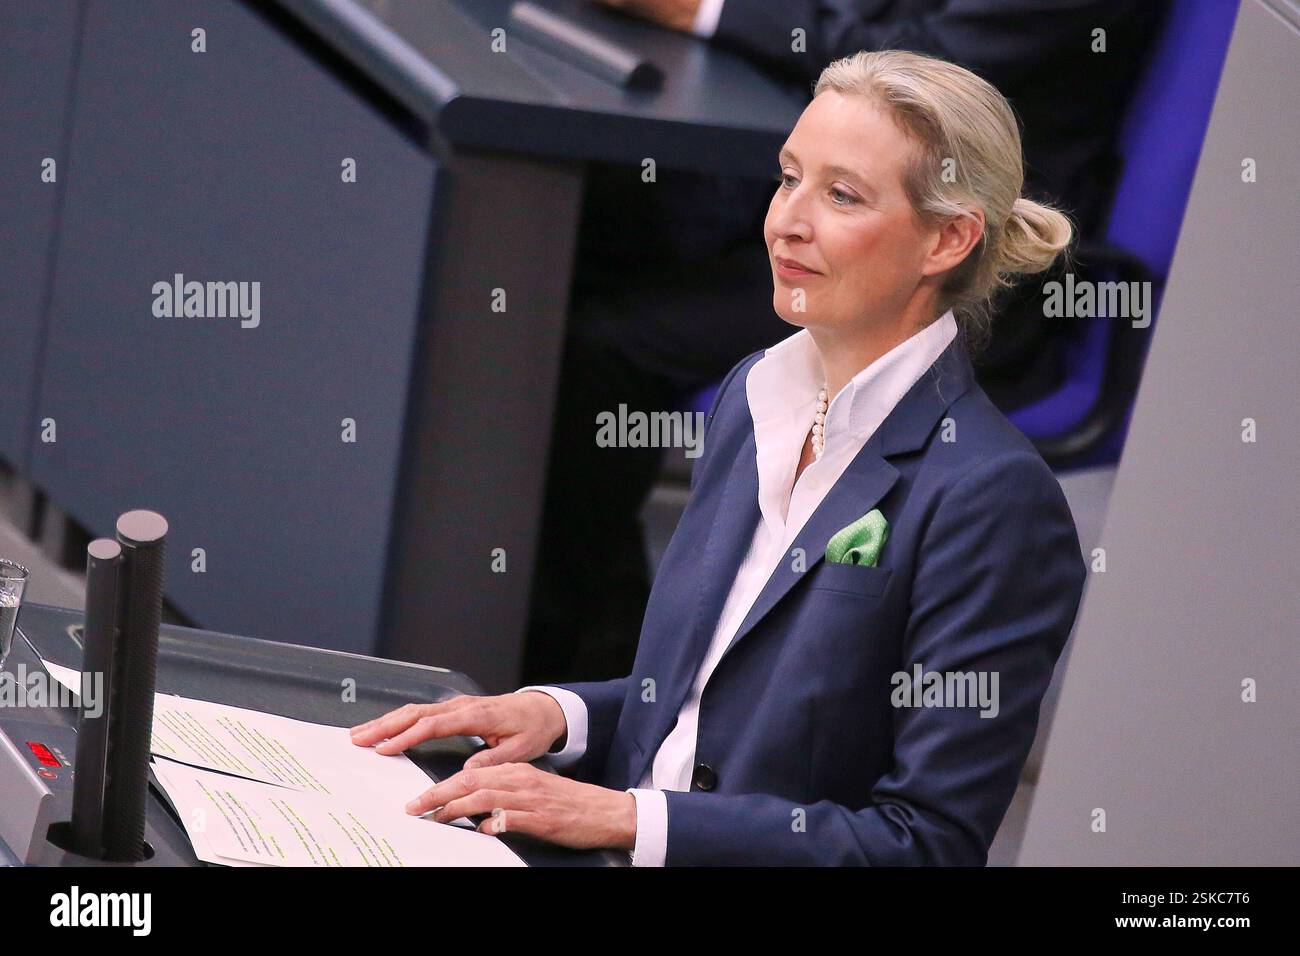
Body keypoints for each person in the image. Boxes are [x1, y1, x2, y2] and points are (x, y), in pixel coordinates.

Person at [353, 50, 1086, 865]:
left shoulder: (993, 500)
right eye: (788, 178)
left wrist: (631, 820)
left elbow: (923, 846)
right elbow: (715, 713)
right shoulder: (752, 395)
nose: (787, 221)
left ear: (948, 239)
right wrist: (564, 717)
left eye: (841, 195)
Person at [524, 0, 1165, 684]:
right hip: (813, 195)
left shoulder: (1005, 507)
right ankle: (615, 681)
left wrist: (703, 10)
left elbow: (918, 78)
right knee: (547, 256)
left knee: (597, 343)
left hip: (959, 274)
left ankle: (582, 666)